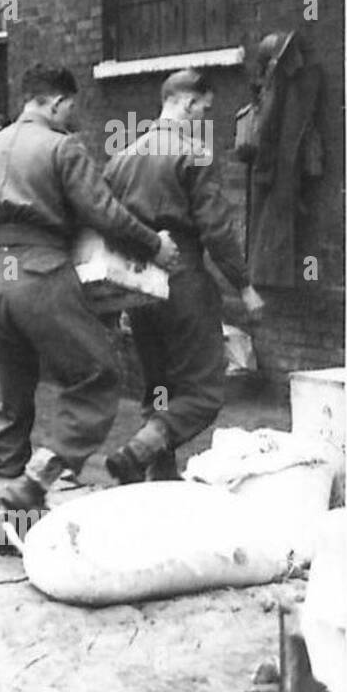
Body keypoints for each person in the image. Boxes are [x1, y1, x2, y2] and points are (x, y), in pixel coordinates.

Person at [0, 65, 181, 547]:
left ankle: (10, 528)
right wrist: (154, 246)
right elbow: (104, 212)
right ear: (55, 103)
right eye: (71, 109)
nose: (73, 119)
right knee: (98, 376)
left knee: (12, 399)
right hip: (42, 274)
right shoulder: (60, 147)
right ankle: (39, 478)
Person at [102, 68, 265, 483]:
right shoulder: (194, 153)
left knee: (159, 383)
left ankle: (161, 471)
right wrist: (244, 286)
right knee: (205, 392)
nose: (203, 120)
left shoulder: (122, 156)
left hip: (139, 285)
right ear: (187, 102)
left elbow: (105, 223)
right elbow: (217, 230)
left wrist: (119, 293)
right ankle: (141, 449)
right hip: (182, 277)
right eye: (204, 111)